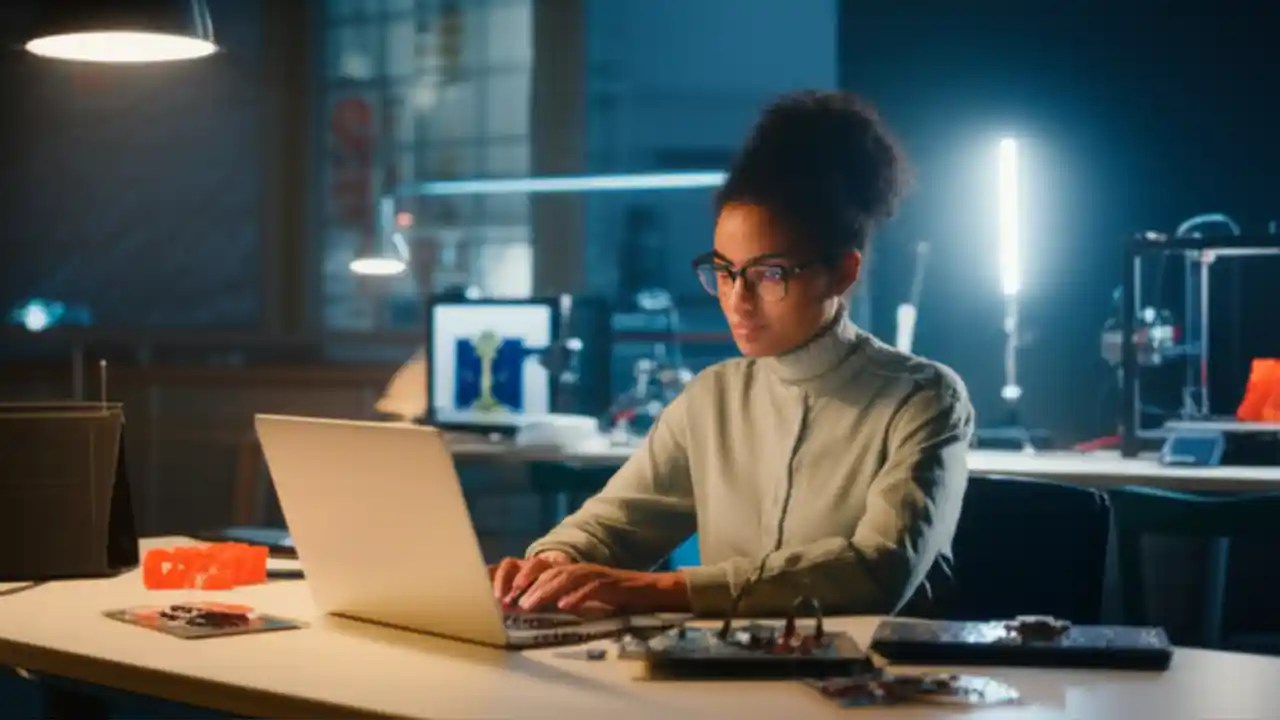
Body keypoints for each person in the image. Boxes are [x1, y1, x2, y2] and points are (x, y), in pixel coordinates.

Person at [491, 90, 974, 618]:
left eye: (769, 274)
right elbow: (615, 521)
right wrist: (553, 562)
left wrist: (655, 591)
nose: (737, 299)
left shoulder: (923, 398)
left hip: (874, 687)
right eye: (724, 271)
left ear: (842, 272)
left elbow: (875, 568)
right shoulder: (713, 397)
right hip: (727, 681)